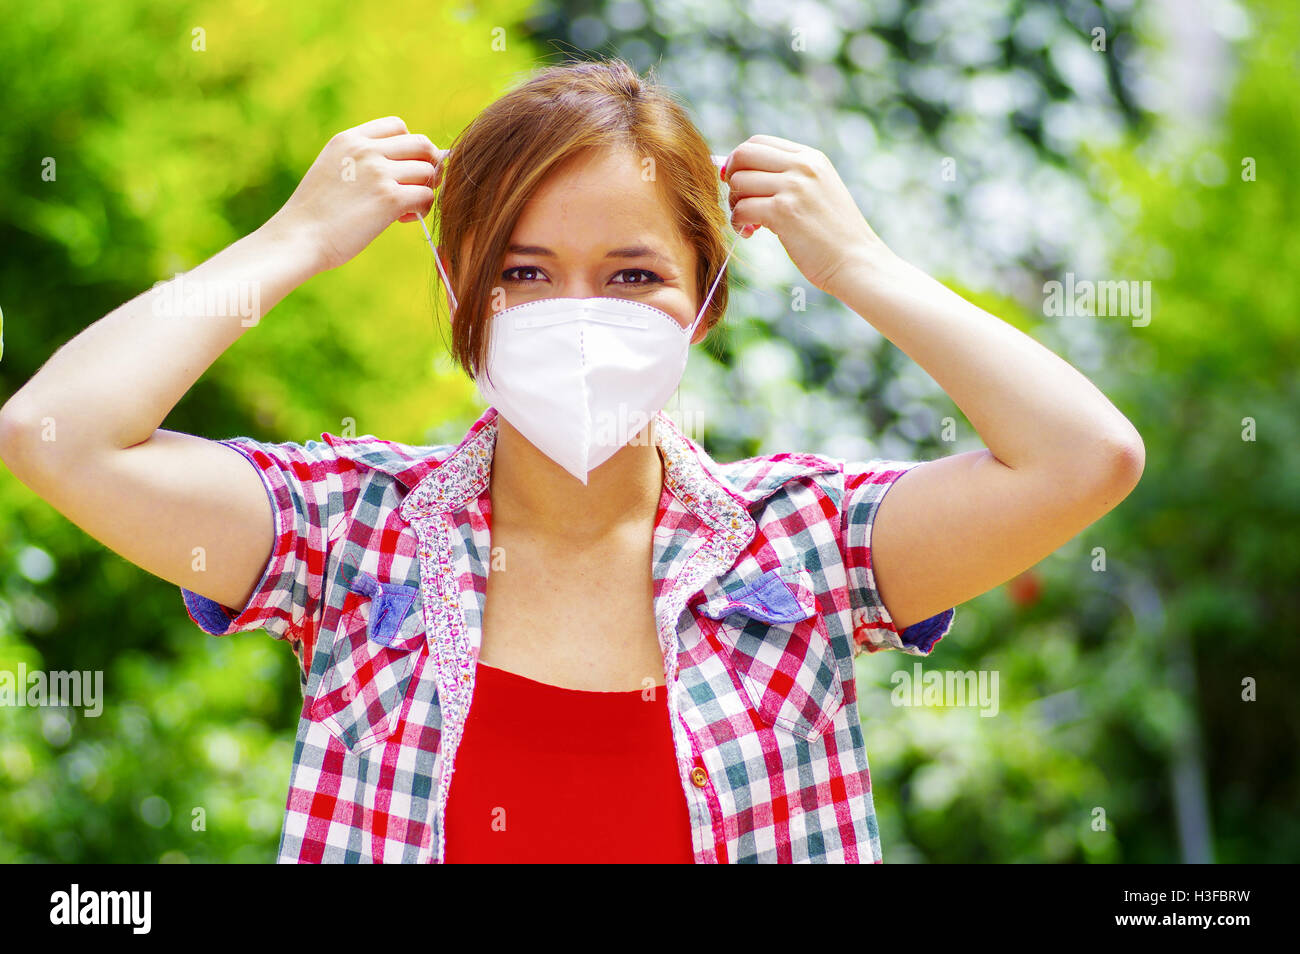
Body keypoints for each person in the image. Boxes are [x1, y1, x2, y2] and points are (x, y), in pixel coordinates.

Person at [0, 57, 1144, 863]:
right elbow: (55, 436)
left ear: (701, 303)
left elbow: (1085, 456)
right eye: (525, 270)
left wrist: (860, 267)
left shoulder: (805, 547)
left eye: (634, 272)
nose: (577, 309)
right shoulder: (346, 533)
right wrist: (291, 242)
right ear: (459, 292)